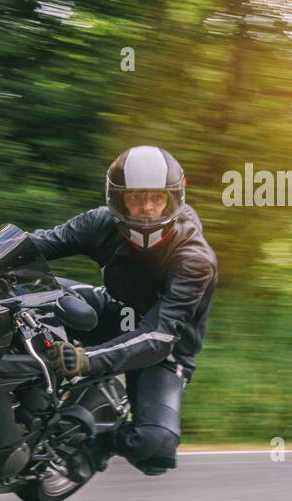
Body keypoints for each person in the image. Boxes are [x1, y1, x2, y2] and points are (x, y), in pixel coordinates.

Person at [26, 145, 218, 476]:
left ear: (172, 198)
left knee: (155, 448)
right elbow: (32, 246)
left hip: (165, 353)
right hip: (114, 311)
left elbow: (159, 336)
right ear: (117, 199)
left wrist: (88, 359)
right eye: (135, 198)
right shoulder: (100, 223)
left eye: (156, 198)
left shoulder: (194, 261)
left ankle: (99, 442)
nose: (146, 208)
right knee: (31, 295)